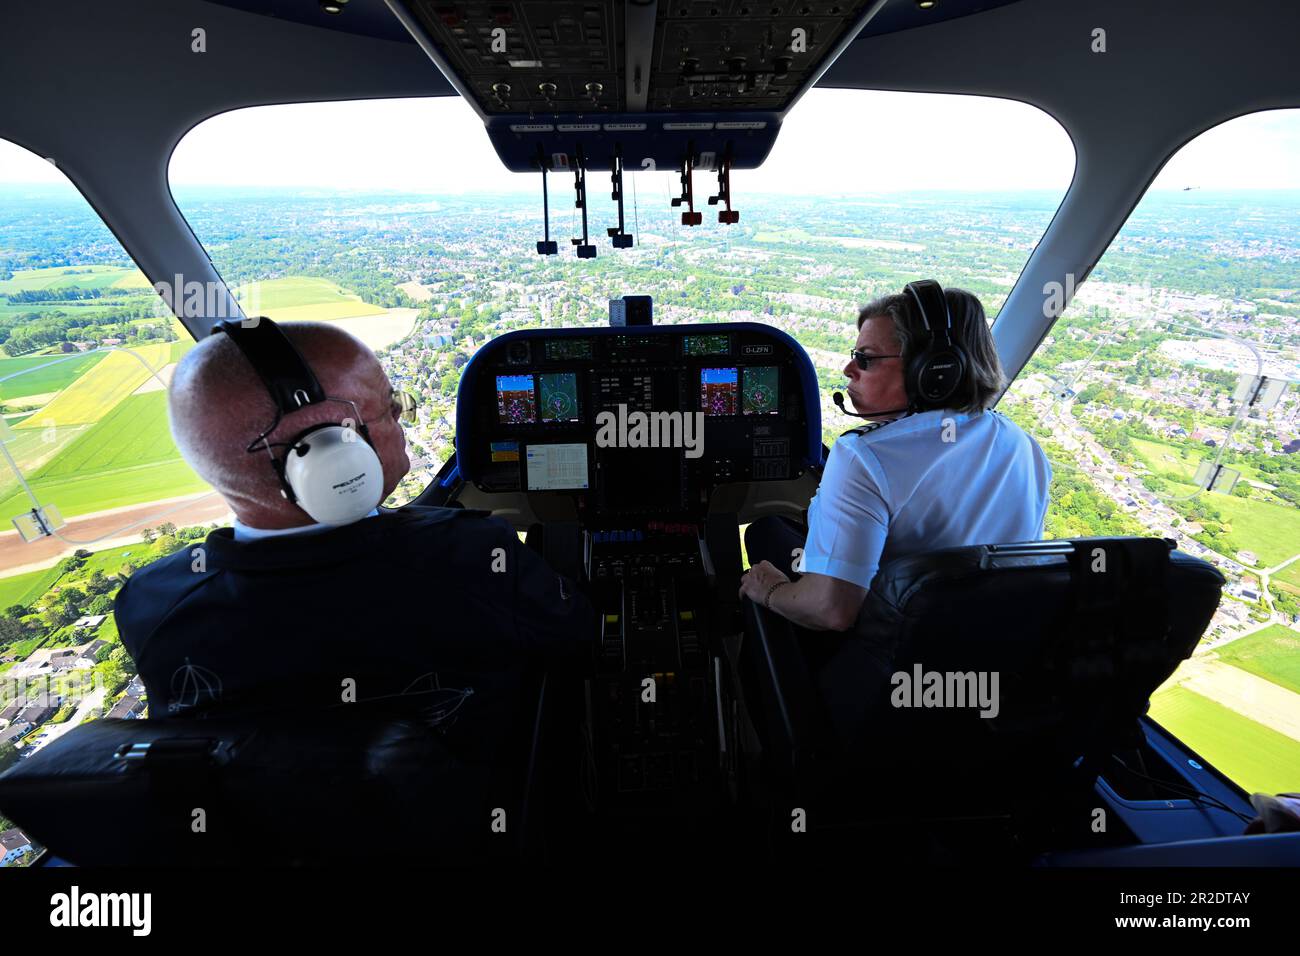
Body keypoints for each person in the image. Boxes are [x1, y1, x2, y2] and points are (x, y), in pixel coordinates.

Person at [114, 320, 593, 760]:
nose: (400, 417)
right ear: (332, 449)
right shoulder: (468, 555)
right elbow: (580, 635)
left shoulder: (151, 603)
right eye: (391, 406)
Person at [739, 284, 1052, 632]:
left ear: (933, 370)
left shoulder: (865, 455)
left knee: (763, 543)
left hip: (892, 653)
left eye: (865, 358)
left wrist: (771, 589)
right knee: (773, 529)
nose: (848, 368)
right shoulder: (1025, 446)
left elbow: (831, 611)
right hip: (997, 643)